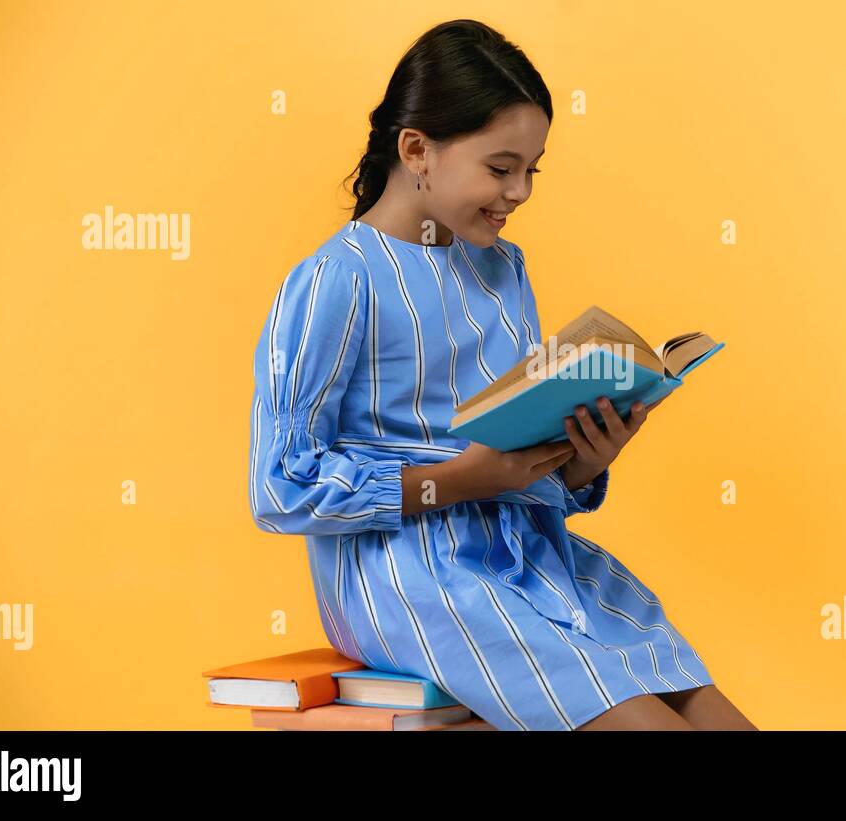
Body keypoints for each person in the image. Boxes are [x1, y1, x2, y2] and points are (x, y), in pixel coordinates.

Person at [248, 18, 755, 731]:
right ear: (417, 149)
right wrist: (459, 481)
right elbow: (278, 485)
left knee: (711, 710)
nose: (519, 191)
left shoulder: (501, 269)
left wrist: (582, 461)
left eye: (531, 170)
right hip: (410, 575)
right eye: (500, 167)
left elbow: (514, 451)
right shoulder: (338, 279)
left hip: (525, 553)